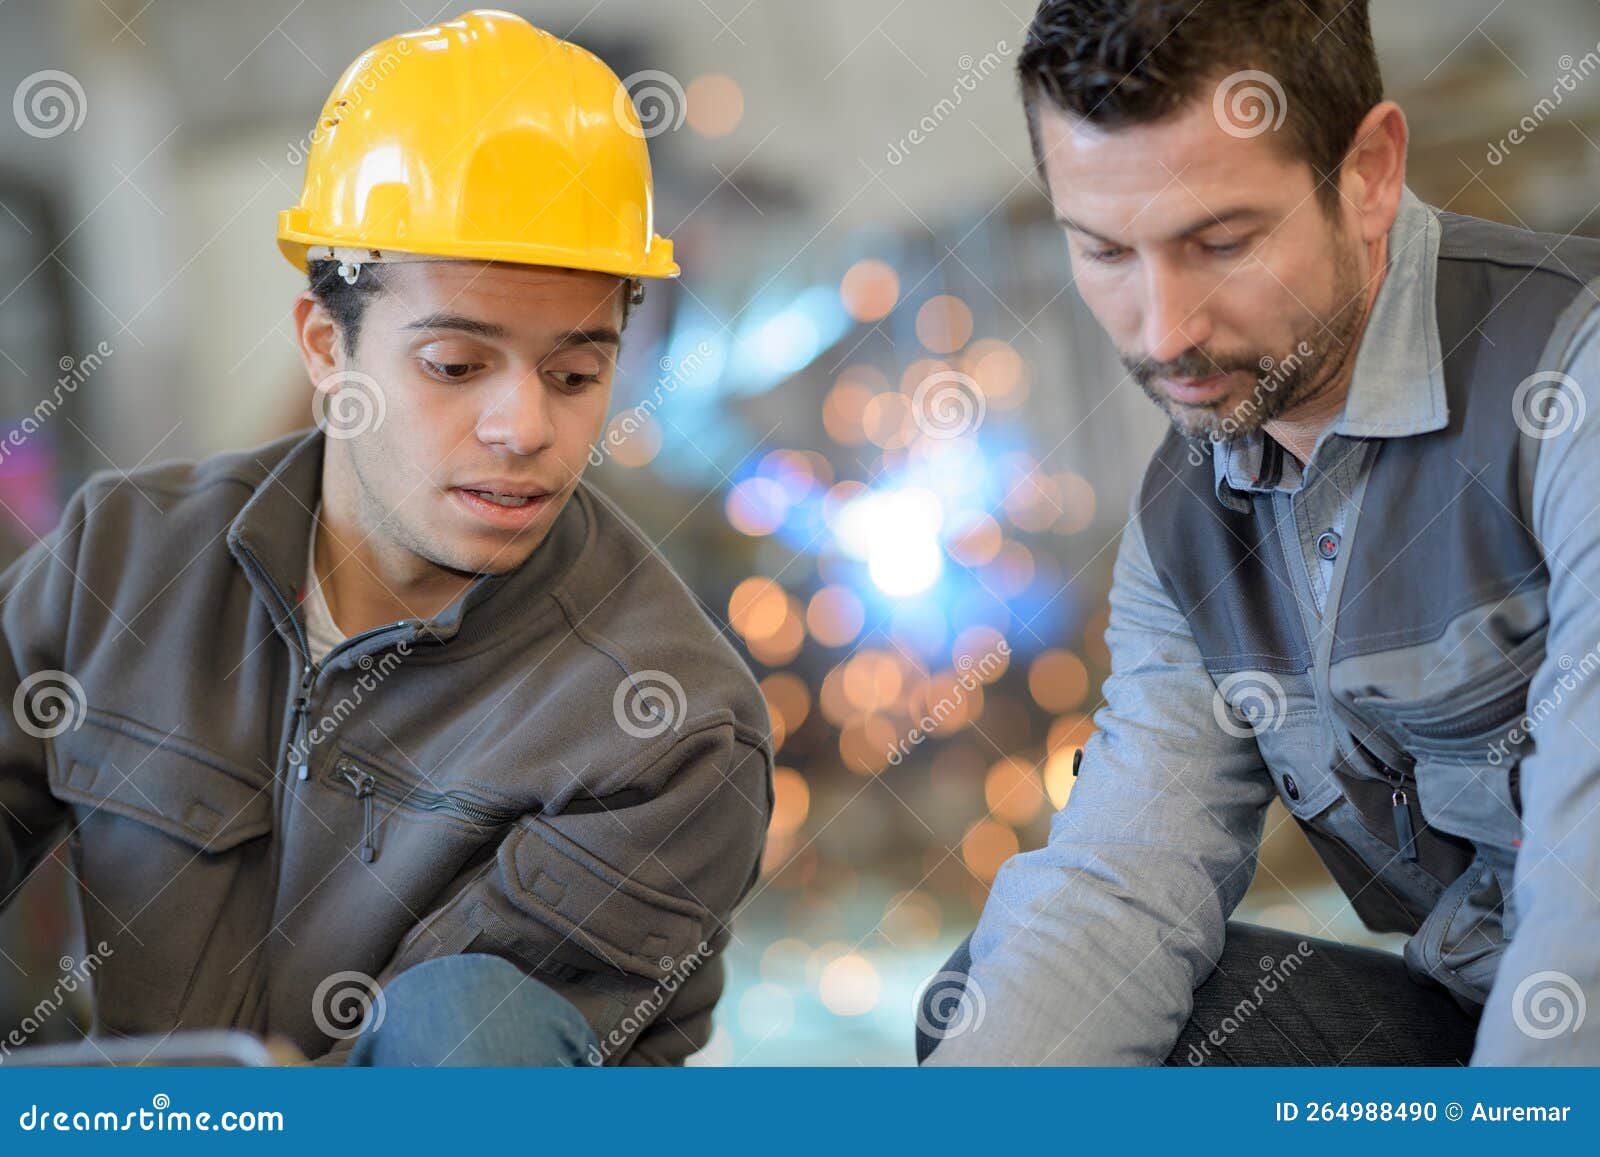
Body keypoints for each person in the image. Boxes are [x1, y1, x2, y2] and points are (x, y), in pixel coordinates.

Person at [0, 10, 772, 1066]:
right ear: (327, 345)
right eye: (456, 366)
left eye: (575, 374)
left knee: (464, 1023)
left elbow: (426, 1079)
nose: (524, 428)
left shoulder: (664, 735)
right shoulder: (121, 561)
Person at [919, 0, 1600, 1066]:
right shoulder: (1189, 509)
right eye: (1103, 252)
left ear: (1369, 172)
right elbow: (1124, 883)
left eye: (1221, 243)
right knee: (993, 1005)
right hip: (1480, 1013)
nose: (1163, 331)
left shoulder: (1569, 384)